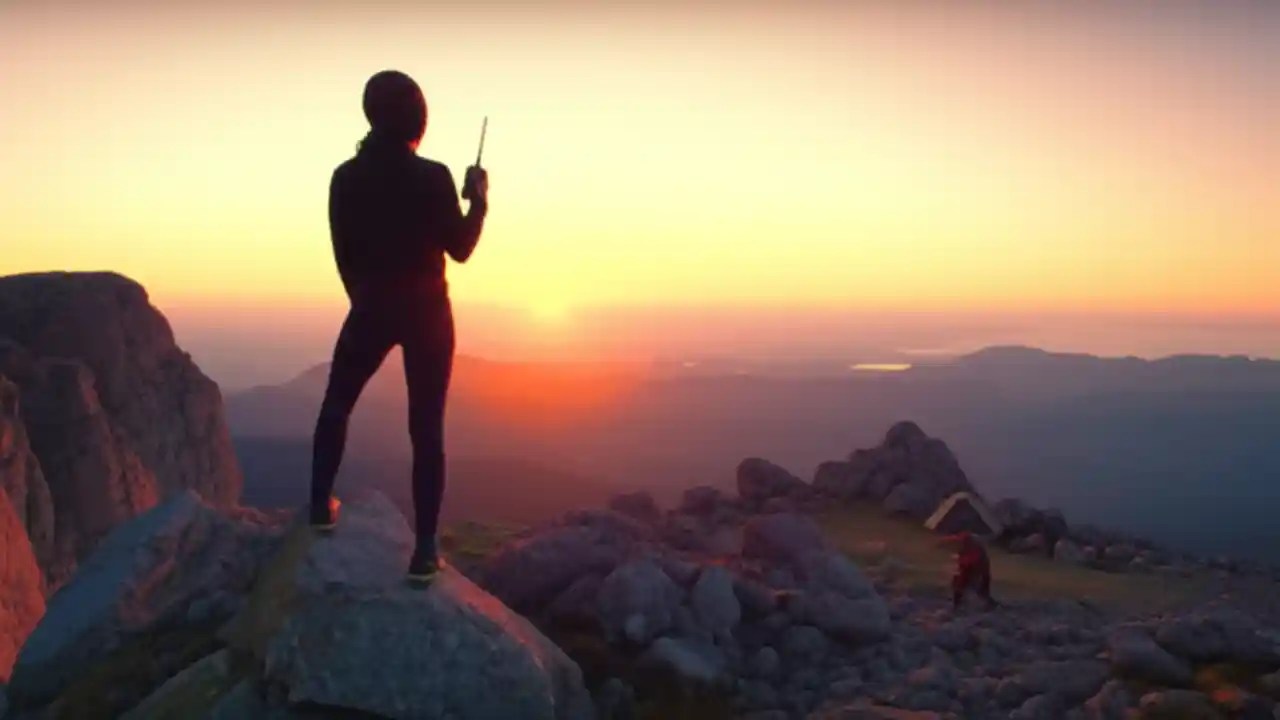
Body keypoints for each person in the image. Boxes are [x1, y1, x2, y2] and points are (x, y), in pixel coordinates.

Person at [309, 69, 488, 583]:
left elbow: (344, 253)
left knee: (336, 403)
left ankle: (320, 506)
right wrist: (477, 199)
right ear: (416, 117)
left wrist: (364, 301)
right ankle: (425, 551)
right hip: (428, 312)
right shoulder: (432, 177)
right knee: (426, 429)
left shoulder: (345, 177)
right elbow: (461, 248)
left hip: (371, 304)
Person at [942, 531, 997, 611]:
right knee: (962, 589)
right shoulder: (967, 545)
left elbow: (967, 566)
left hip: (975, 575)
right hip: (973, 573)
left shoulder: (975, 553)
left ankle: (962, 605)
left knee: (975, 593)